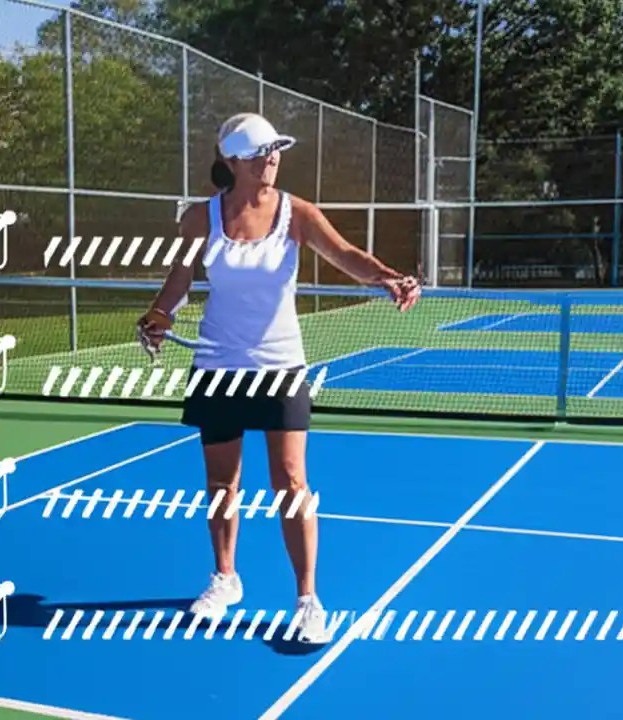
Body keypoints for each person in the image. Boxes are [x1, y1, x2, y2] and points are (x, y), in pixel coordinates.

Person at [137, 112, 420, 643]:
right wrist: (159, 315)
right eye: (261, 152)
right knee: (221, 484)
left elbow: (346, 255)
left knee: (291, 482)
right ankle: (225, 578)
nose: (272, 159)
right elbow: (180, 277)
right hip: (218, 366)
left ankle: (308, 600)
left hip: (281, 366)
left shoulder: (297, 213)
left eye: (275, 150)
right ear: (233, 161)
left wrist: (388, 278)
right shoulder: (199, 218)